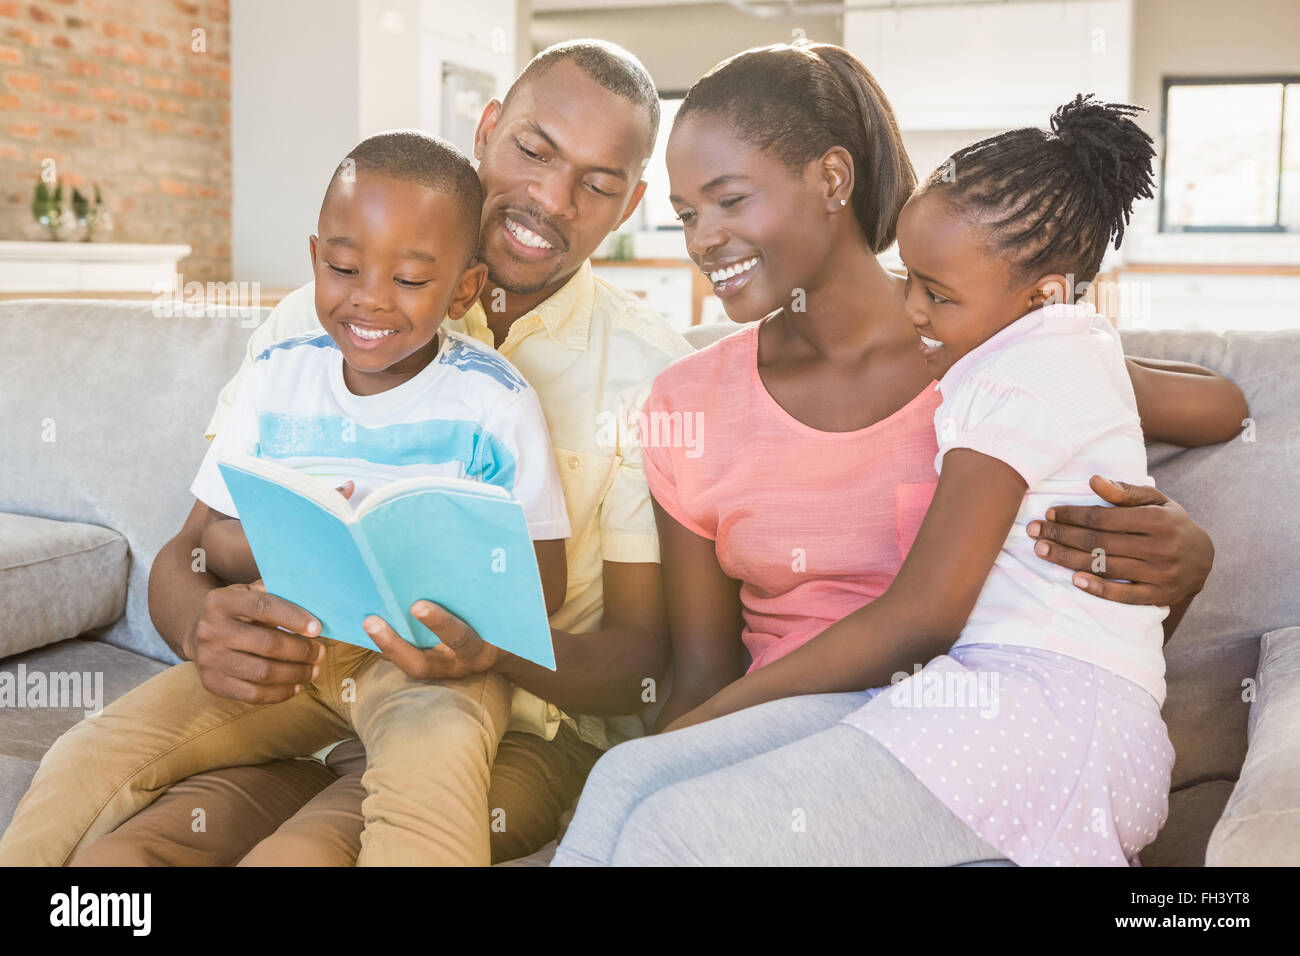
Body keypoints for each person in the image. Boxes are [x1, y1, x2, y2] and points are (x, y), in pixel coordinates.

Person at [552, 45, 1245, 866]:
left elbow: (1209, 402)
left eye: (729, 200)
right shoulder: (689, 404)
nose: (704, 239)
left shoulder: (985, 342)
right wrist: (672, 754)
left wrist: (1189, 554)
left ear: (833, 180)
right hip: (816, 734)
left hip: (965, 740)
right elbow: (701, 673)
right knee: (625, 786)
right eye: (685, 214)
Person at [58, 39, 690, 867]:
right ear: (488, 128)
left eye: (598, 184)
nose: (550, 198)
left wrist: (495, 647)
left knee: (307, 856)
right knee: (118, 860)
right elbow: (192, 545)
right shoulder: (315, 323)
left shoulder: (655, 374)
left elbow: (643, 661)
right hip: (305, 696)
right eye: (533, 151)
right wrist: (195, 624)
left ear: (630, 200)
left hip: (525, 734)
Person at [0, 130, 579, 867]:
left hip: (423, 666)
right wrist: (220, 601)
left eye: (409, 280)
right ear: (315, 261)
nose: (368, 297)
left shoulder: (495, 400)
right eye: (343, 267)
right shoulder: (278, 377)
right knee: (92, 753)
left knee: (429, 804)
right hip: (289, 651)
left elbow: (545, 579)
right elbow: (202, 541)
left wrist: (470, 625)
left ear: (464, 289)